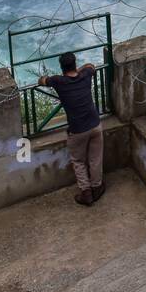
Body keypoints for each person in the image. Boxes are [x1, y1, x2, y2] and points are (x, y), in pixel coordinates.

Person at [38, 52, 106, 206]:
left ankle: (86, 192)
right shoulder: (86, 74)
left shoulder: (58, 81)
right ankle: (97, 187)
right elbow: (91, 66)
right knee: (95, 158)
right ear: (75, 64)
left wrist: (54, 77)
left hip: (77, 130)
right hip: (95, 124)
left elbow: (41, 80)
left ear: (62, 68)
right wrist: (80, 70)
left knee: (78, 161)